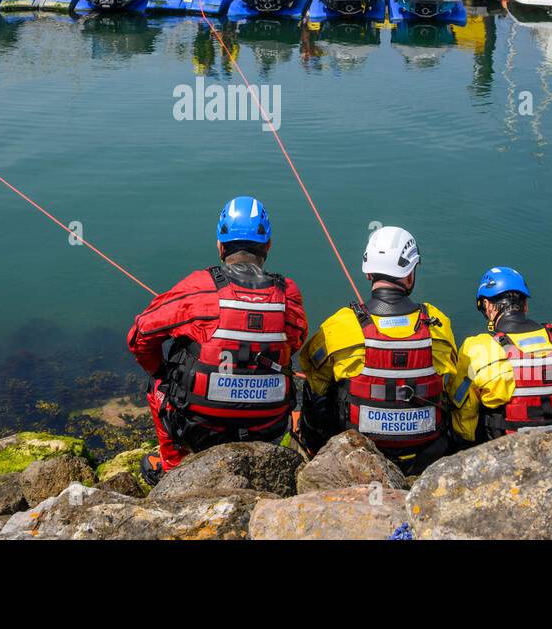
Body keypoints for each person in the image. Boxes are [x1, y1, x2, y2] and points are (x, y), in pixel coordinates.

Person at [127, 196, 306, 484]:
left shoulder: (200, 286)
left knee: (158, 383)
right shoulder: (289, 293)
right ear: (268, 246)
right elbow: (295, 341)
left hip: (201, 430)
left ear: (220, 245)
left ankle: (173, 468)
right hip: (269, 428)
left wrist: (160, 370)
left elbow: (139, 335)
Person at [297, 227, 457, 473]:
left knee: (316, 387)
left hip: (360, 451)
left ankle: (317, 454)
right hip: (427, 452)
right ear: (410, 273)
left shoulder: (341, 323)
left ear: (368, 272)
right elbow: (452, 379)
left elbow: (312, 372)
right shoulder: (437, 322)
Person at [451, 267, 552, 444]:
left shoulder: (478, 349)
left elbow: (463, 412)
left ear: (488, 306)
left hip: (512, 453)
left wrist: (465, 443)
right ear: (525, 306)